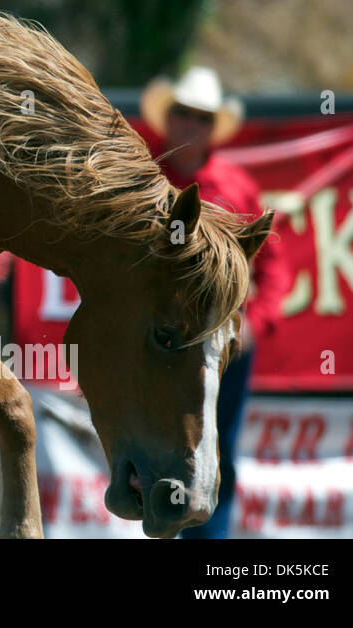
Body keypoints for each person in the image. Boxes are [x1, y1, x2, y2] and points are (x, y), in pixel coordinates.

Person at [139, 66, 292, 538]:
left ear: (211, 128)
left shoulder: (237, 186)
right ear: (169, 118)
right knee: (149, 443)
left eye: (200, 117)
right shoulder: (141, 179)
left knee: (217, 449)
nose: (190, 124)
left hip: (222, 343)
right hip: (159, 340)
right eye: (182, 113)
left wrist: (255, 326)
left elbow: (275, 267)